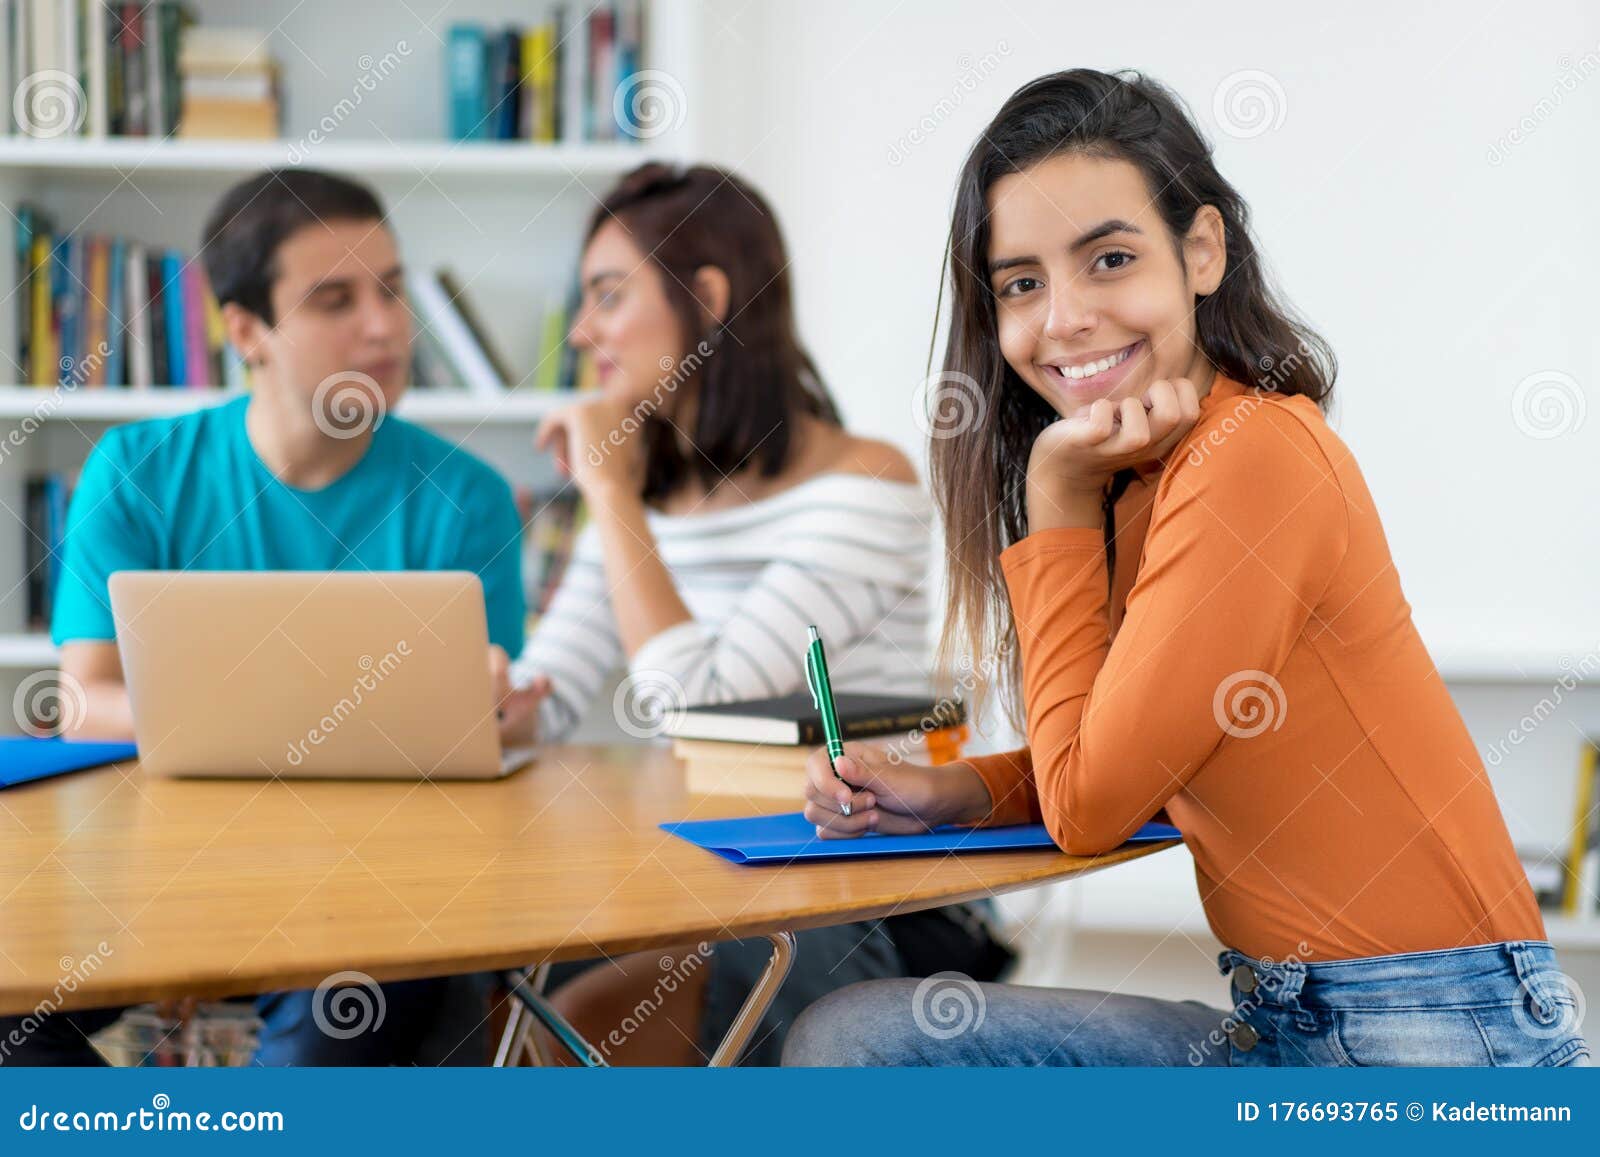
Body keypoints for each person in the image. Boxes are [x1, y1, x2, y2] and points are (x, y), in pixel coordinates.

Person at [782, 69, 1589, 1068]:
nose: (1064, 317)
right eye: (1020, 283)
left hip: (1435, 1043)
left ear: (1200, 250)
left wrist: (1056, 502)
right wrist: (953, 792)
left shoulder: (1249, 457)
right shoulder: (1147, 473)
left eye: (1108, 258)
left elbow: (1090, 807)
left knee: (866, 1048)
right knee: (856, 1036)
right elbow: (1127, 754)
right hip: (1305, 1027)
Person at [1, 168, 525, 1066]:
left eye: (392, 288)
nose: (386, 325)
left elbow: (480, 714)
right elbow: (84, 700)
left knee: (338, 1035)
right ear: (245, 329)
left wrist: (502, 705)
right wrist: (341, 718)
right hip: (143, 876)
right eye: (336, 298)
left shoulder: (466, 497)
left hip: (370, 889)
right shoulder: (135, 470)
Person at [500, 163, 1013, 1065]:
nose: (584, 332)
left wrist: (608, 495)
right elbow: (547, 688)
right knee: (492, 988)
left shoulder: (867, 484)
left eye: (608, 296)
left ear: (706, 298)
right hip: (706, 880)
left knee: (559, 1034)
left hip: (862, 902)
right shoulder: (645, 493)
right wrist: (492, 702)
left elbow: (703, 700)